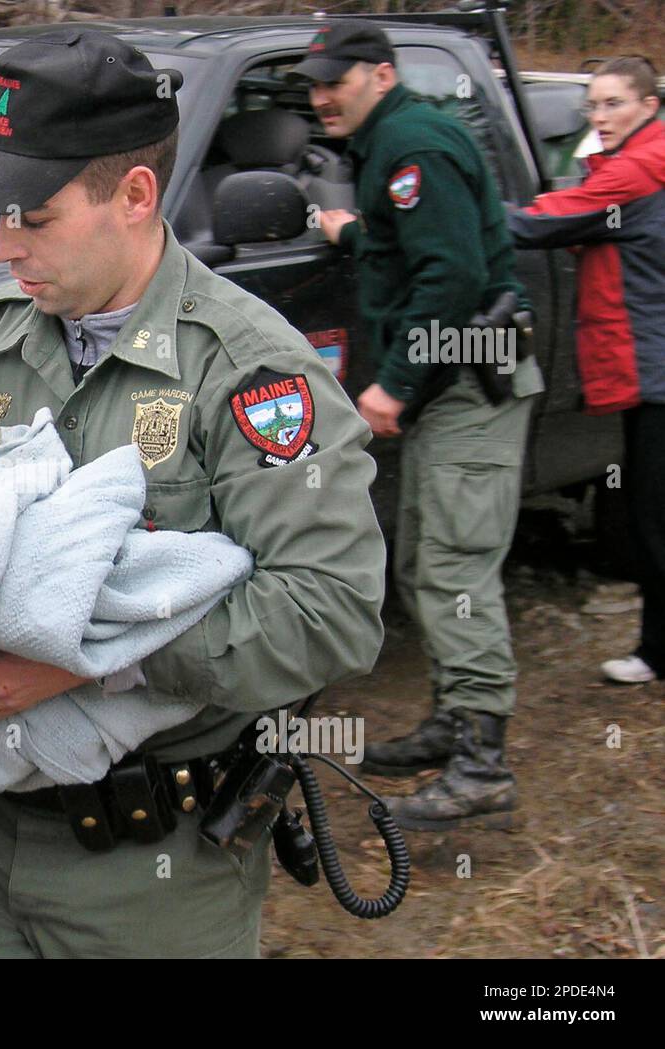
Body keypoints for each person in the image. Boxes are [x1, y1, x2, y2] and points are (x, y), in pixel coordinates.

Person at [0, 27, 386, 958]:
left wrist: (99, 657)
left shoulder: (251, 374)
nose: (1, 243)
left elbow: (330, 609)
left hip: (152, 866)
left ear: (136, 195)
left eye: (32, 214)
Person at [293, 23, 545, 830]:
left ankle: (481, 765)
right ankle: (451, 721)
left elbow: (454, 273)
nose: (321, 97)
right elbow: (414, 246)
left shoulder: (412, 146)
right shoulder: (394, 141)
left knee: (453, 568)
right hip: (452, 386)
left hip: (465, 381)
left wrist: (394, 386)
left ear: (380, 73)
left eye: (337, 81)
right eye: (315, 85)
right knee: (430, 559)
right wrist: (351, 232)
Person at [507, 56, 665, 686]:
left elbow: (548, 220)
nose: (599, 117)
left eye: (614, 105)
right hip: (648, 370)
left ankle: (657, 652)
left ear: (648, 106)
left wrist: (459, 214)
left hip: (655, 371)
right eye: (592, 106)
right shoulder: (632, 163)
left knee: (654, 519)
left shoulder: (638, 169)